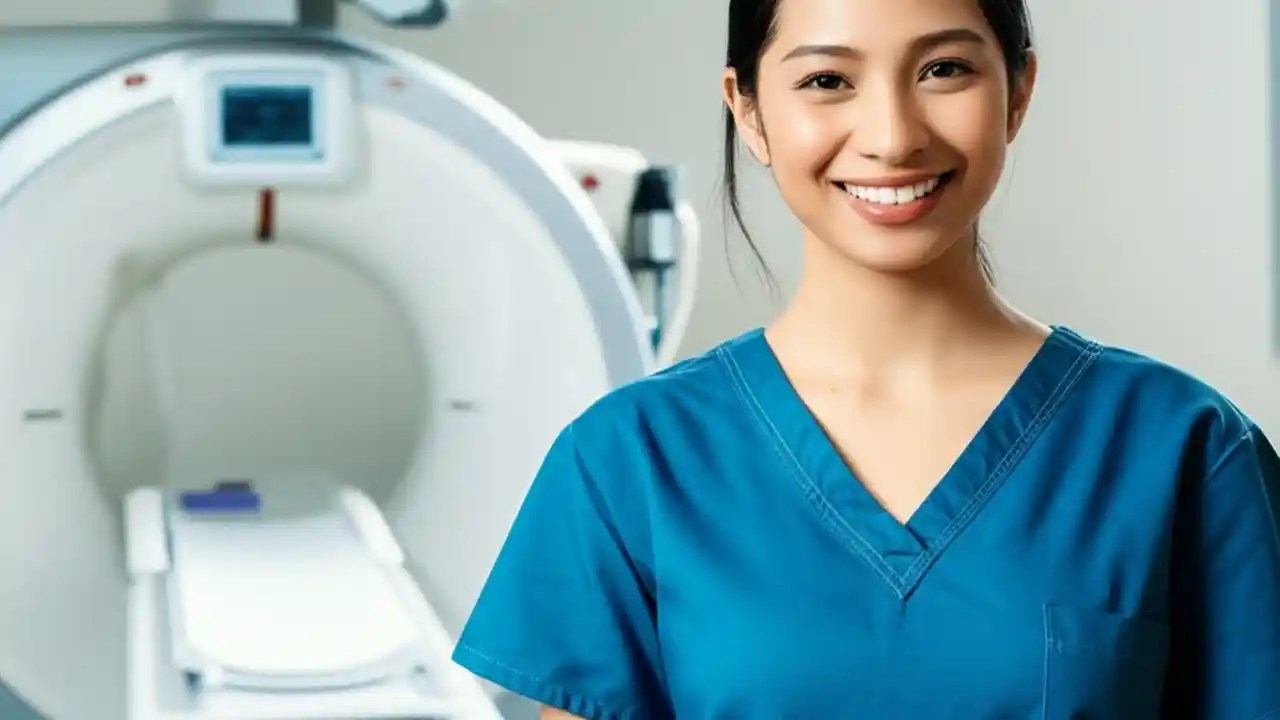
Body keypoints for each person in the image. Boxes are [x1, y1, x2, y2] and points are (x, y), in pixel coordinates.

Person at [451, 0, 1280, 717]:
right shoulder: (626, 463)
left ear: (1018, 91)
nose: (892, 137)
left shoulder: (1185, 448)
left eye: (945, 68)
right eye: (826, 81)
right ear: (748, 111)